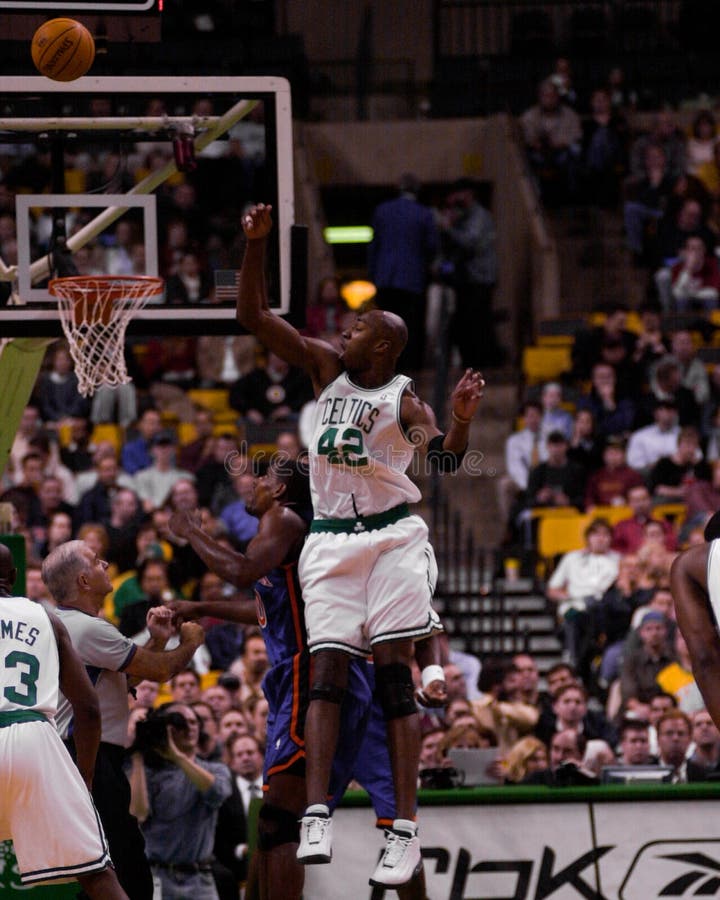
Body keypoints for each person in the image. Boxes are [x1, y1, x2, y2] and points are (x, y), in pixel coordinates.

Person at [235, 202, 479, 887]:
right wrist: (252, 245)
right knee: (330, 670)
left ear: (381, 347)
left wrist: (459, 424)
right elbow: (253, 317)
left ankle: (402, 828)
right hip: (332, 539)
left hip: (392, 536)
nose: (345, 326)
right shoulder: (321, 368)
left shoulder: (407, 400)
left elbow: (451, 465)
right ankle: (317, 811)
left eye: (361, 323)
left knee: (395, 672)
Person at [168, 459, 442, 900]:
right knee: (378, 830)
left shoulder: (285, 520)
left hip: (311, 675)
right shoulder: (288, 536)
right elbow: (264, 610)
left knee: (278, 820)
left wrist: (192, 532)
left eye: (262, 478)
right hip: (327, 675)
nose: (252, 484)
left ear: (279, 491)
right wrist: (200, 608)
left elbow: (240, 571)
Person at [41, 539, 206, 900]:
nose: (106, 564)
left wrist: (158, 640)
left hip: (76, 753)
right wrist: (190, 641)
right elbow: (161, 672)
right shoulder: (89, 629)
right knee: (128, 870)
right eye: (97, 561)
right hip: (90, 754)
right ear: (84, 581)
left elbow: (121, 679)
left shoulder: (65, 624)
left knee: (104, 866)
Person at [0, 545, 128, 899]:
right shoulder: (45, 618)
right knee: (98, 875)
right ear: (13, 578)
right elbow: (87, 707)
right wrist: (82, 777)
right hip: (36, 738)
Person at [128, 702, 232, 900]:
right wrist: (138, 754)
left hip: (199, 878)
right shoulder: (147, 772)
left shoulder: (216, 769)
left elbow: (217, 793)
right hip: (156, 876)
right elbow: (137, 814)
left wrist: (178, 757)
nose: (189, 727)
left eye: (193, 722)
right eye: (180, 722)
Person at [368, 172, 439, 371]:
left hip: (385, 278)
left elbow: (374, 245)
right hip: (412, 280)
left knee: (385, 327)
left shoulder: (382, 211)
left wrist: (373, 274)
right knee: (410, 327)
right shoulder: (424, 213)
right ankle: (411, 367)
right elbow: (432, 246)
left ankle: (385, 366)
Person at [437, 178, 504, 367]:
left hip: (481, 278)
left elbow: (470, 242)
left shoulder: (479, 216)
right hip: (467, 279)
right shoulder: (463, 217)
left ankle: (486, 362)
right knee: (465, 323)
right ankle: (472, 361)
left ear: (468, 194)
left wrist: (449, 228)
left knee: (479, 321)